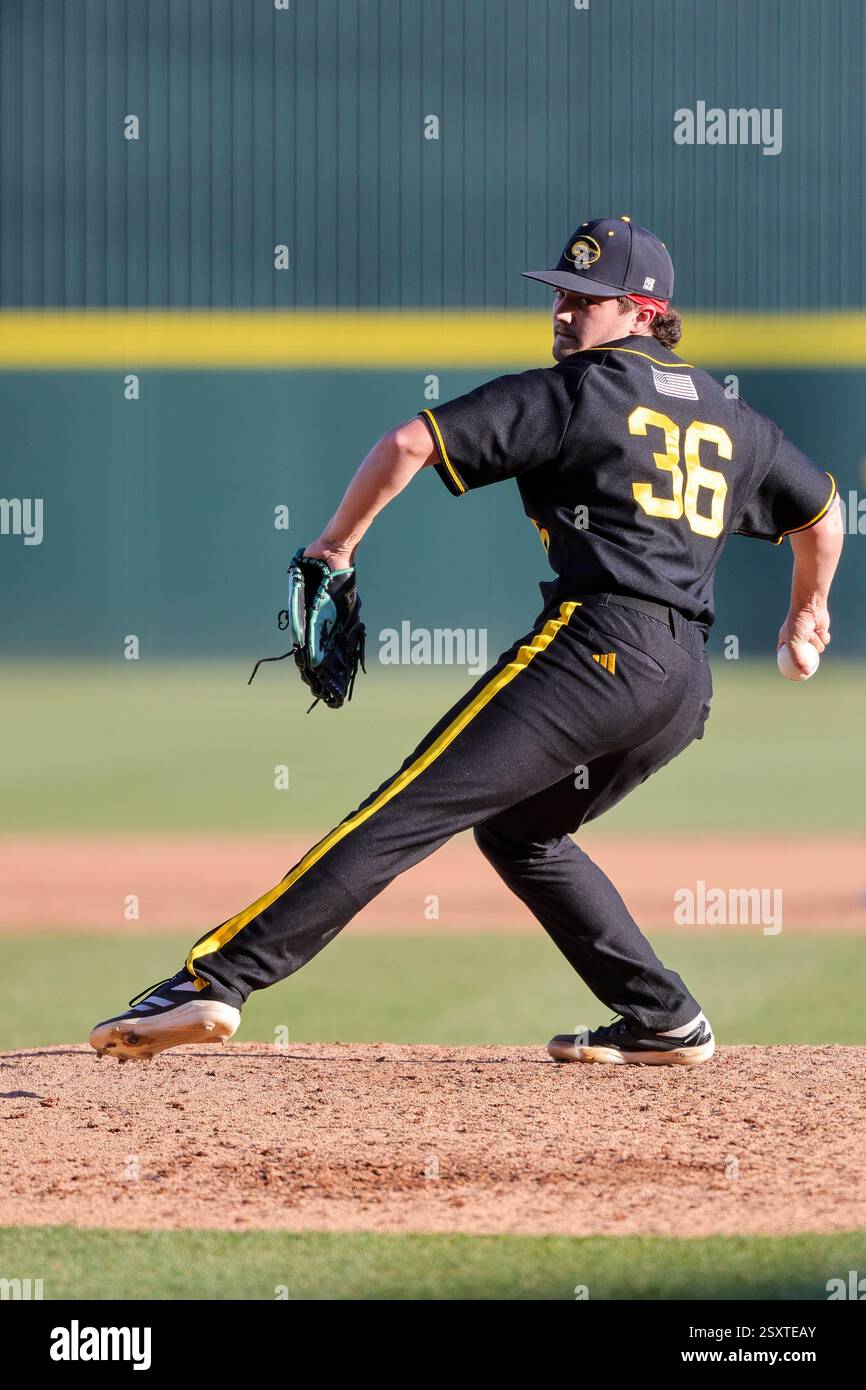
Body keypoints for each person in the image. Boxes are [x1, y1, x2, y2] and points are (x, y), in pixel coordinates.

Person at [90, 217, 841, 1067]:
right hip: (682, 687)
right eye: (560, 293)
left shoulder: (575, 392)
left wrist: (333, 547)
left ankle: (216, 980)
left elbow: (409, 441)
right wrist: (805, 614)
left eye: (584, 299)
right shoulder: (733, 418)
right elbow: (821, 509)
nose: (562, 310)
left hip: (594, 648)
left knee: (408, 804)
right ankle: (663, 1016)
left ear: (640, 309)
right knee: (522, 833)